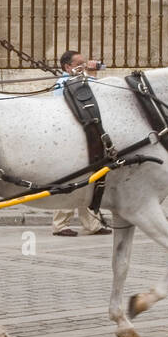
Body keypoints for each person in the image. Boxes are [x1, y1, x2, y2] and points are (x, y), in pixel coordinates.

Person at [51, 49, 111, 237]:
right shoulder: (63, 82)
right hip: (69, 139)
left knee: (90, 181)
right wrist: (91, 74)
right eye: (79, 64)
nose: (83, 66)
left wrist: (90, 74)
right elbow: (88, 91)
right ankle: (60, 225)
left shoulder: (81, 78)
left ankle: (92, 224)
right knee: (71, 182)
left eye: (84, 63)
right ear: (67, 67)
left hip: (85, 138)